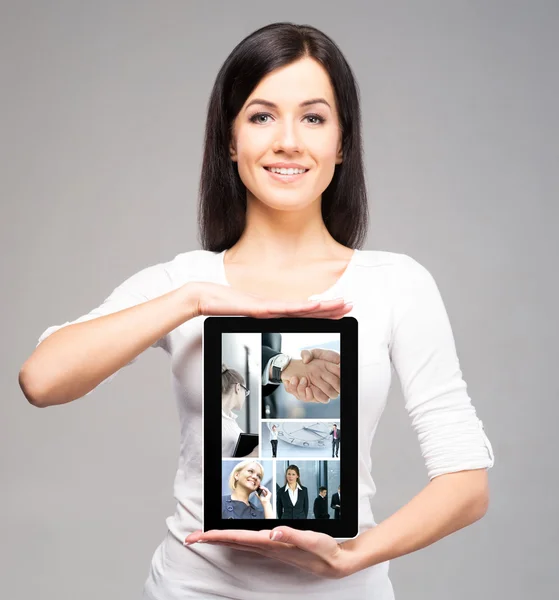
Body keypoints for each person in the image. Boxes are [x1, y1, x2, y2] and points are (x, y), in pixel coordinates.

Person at [18, 22, 495, 600]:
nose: (288, 141)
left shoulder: (397, 284)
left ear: (342, 143)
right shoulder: (185, 281)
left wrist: (351, 559)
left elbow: (467, 483)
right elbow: (41, 381)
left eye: (314, 117)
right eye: (262, 115)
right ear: (229, 138)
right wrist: (195, 299)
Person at [221, 363, 258, 457]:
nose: (245, 397)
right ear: (238, 388)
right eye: (245, 392)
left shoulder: (231, 420)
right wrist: (253, 455)